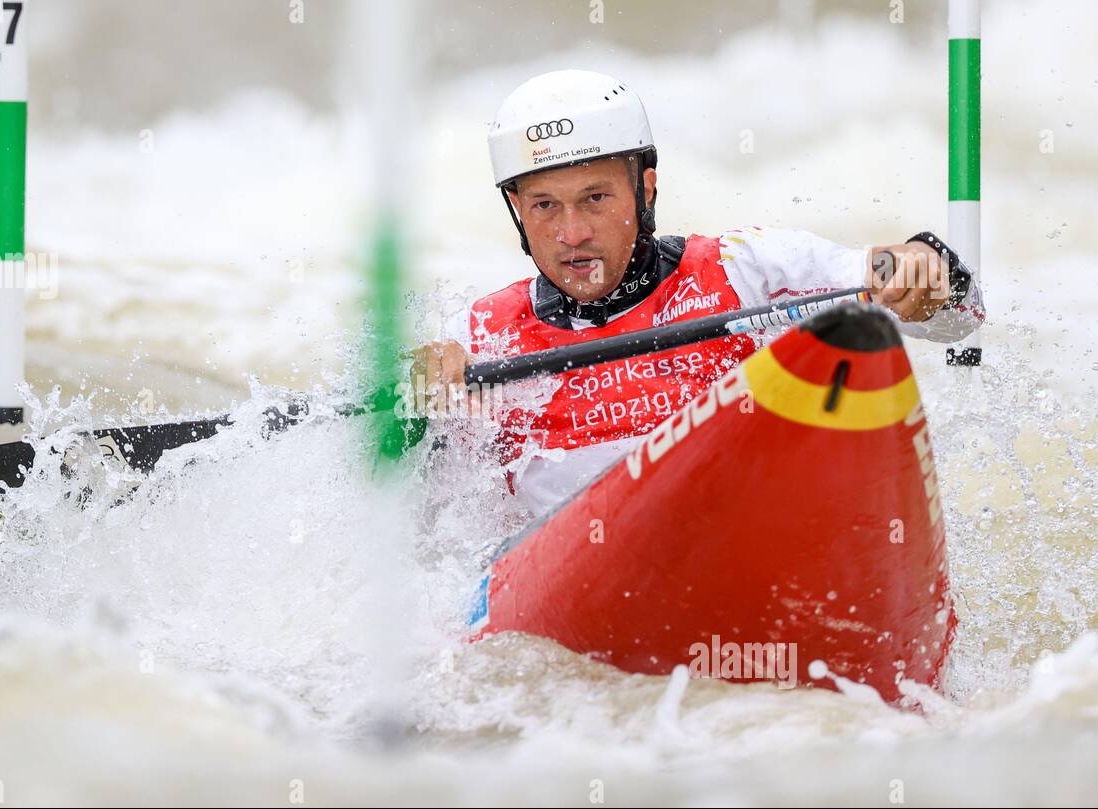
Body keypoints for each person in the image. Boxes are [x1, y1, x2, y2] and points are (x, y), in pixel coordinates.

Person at [412, 70, 984, 515]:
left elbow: (960, 318)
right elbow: (415, 512)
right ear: (517, 212)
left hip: (748, 536)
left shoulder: (745, 271)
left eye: (595, 198)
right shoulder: (482, 336)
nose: (572, 233)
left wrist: (921, 268)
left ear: (646, 188)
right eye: (544, 206)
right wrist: (415, 405)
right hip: (577, 585)